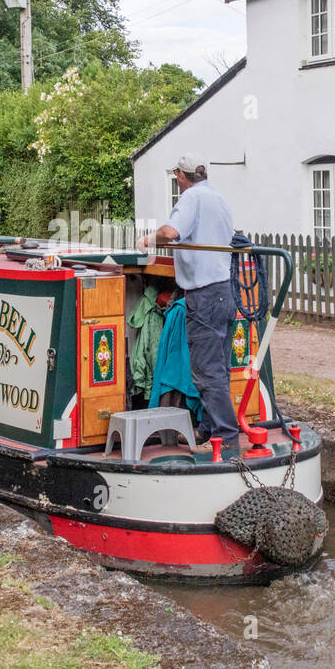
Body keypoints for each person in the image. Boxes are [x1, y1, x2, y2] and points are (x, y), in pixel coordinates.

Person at [137, 154, 239, 453]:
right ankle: (209, 430)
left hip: (204, 296)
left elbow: (171, 233)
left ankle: (226, 438)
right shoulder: (219, 200)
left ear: (181, 174)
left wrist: (147, 240)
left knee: (207, 371)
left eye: (176, 175)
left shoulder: (191, 198)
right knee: (219, 367)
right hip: (224, 290)